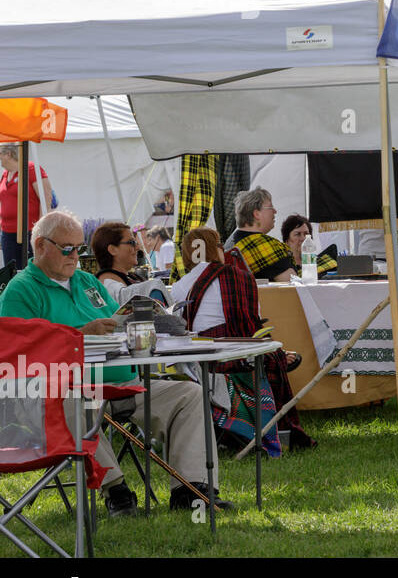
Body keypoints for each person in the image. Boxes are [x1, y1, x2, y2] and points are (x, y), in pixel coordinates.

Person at [0, 210, 231, 514]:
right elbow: (20, 351)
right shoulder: (21, 290)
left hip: (121, 382)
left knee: (189, 395)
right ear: (41, 246)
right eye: (67, 248)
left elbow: (117, 318)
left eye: (80, 249)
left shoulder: (86, 282)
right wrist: (79, 335)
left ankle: (191, 491)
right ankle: (117, 491)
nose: (76, 257)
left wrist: (144, 324)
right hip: (60, 391)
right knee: (74, 398)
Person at [172, 226, 314, 449]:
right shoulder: (243, 277)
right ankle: (277, 428)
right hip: (245, 353)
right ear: (215, 249)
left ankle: (230, 429)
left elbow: (183, 329)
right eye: (219, 245)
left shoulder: (180, 287)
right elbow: (255, 319)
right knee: (268, 349)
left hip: (207, 360)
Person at [91, 221, 170, 306]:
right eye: (132, 243)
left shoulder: (128, 277)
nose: (137, 247)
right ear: (113, 249)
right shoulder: (108, 285)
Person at [224, 187, 295, 282]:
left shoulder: (228, 244)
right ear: (257, 214)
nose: (275, 211)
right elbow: (291, 284)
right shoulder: (267, 246)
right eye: (270, 207)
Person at [0, 142, 53, 266]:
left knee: (30, 268)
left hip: (30, 231)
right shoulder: (5, 174)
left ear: (8, 154)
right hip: (8, 233)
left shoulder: (30, 169)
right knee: (11, 271)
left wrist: (41, 228)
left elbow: (46, 198)